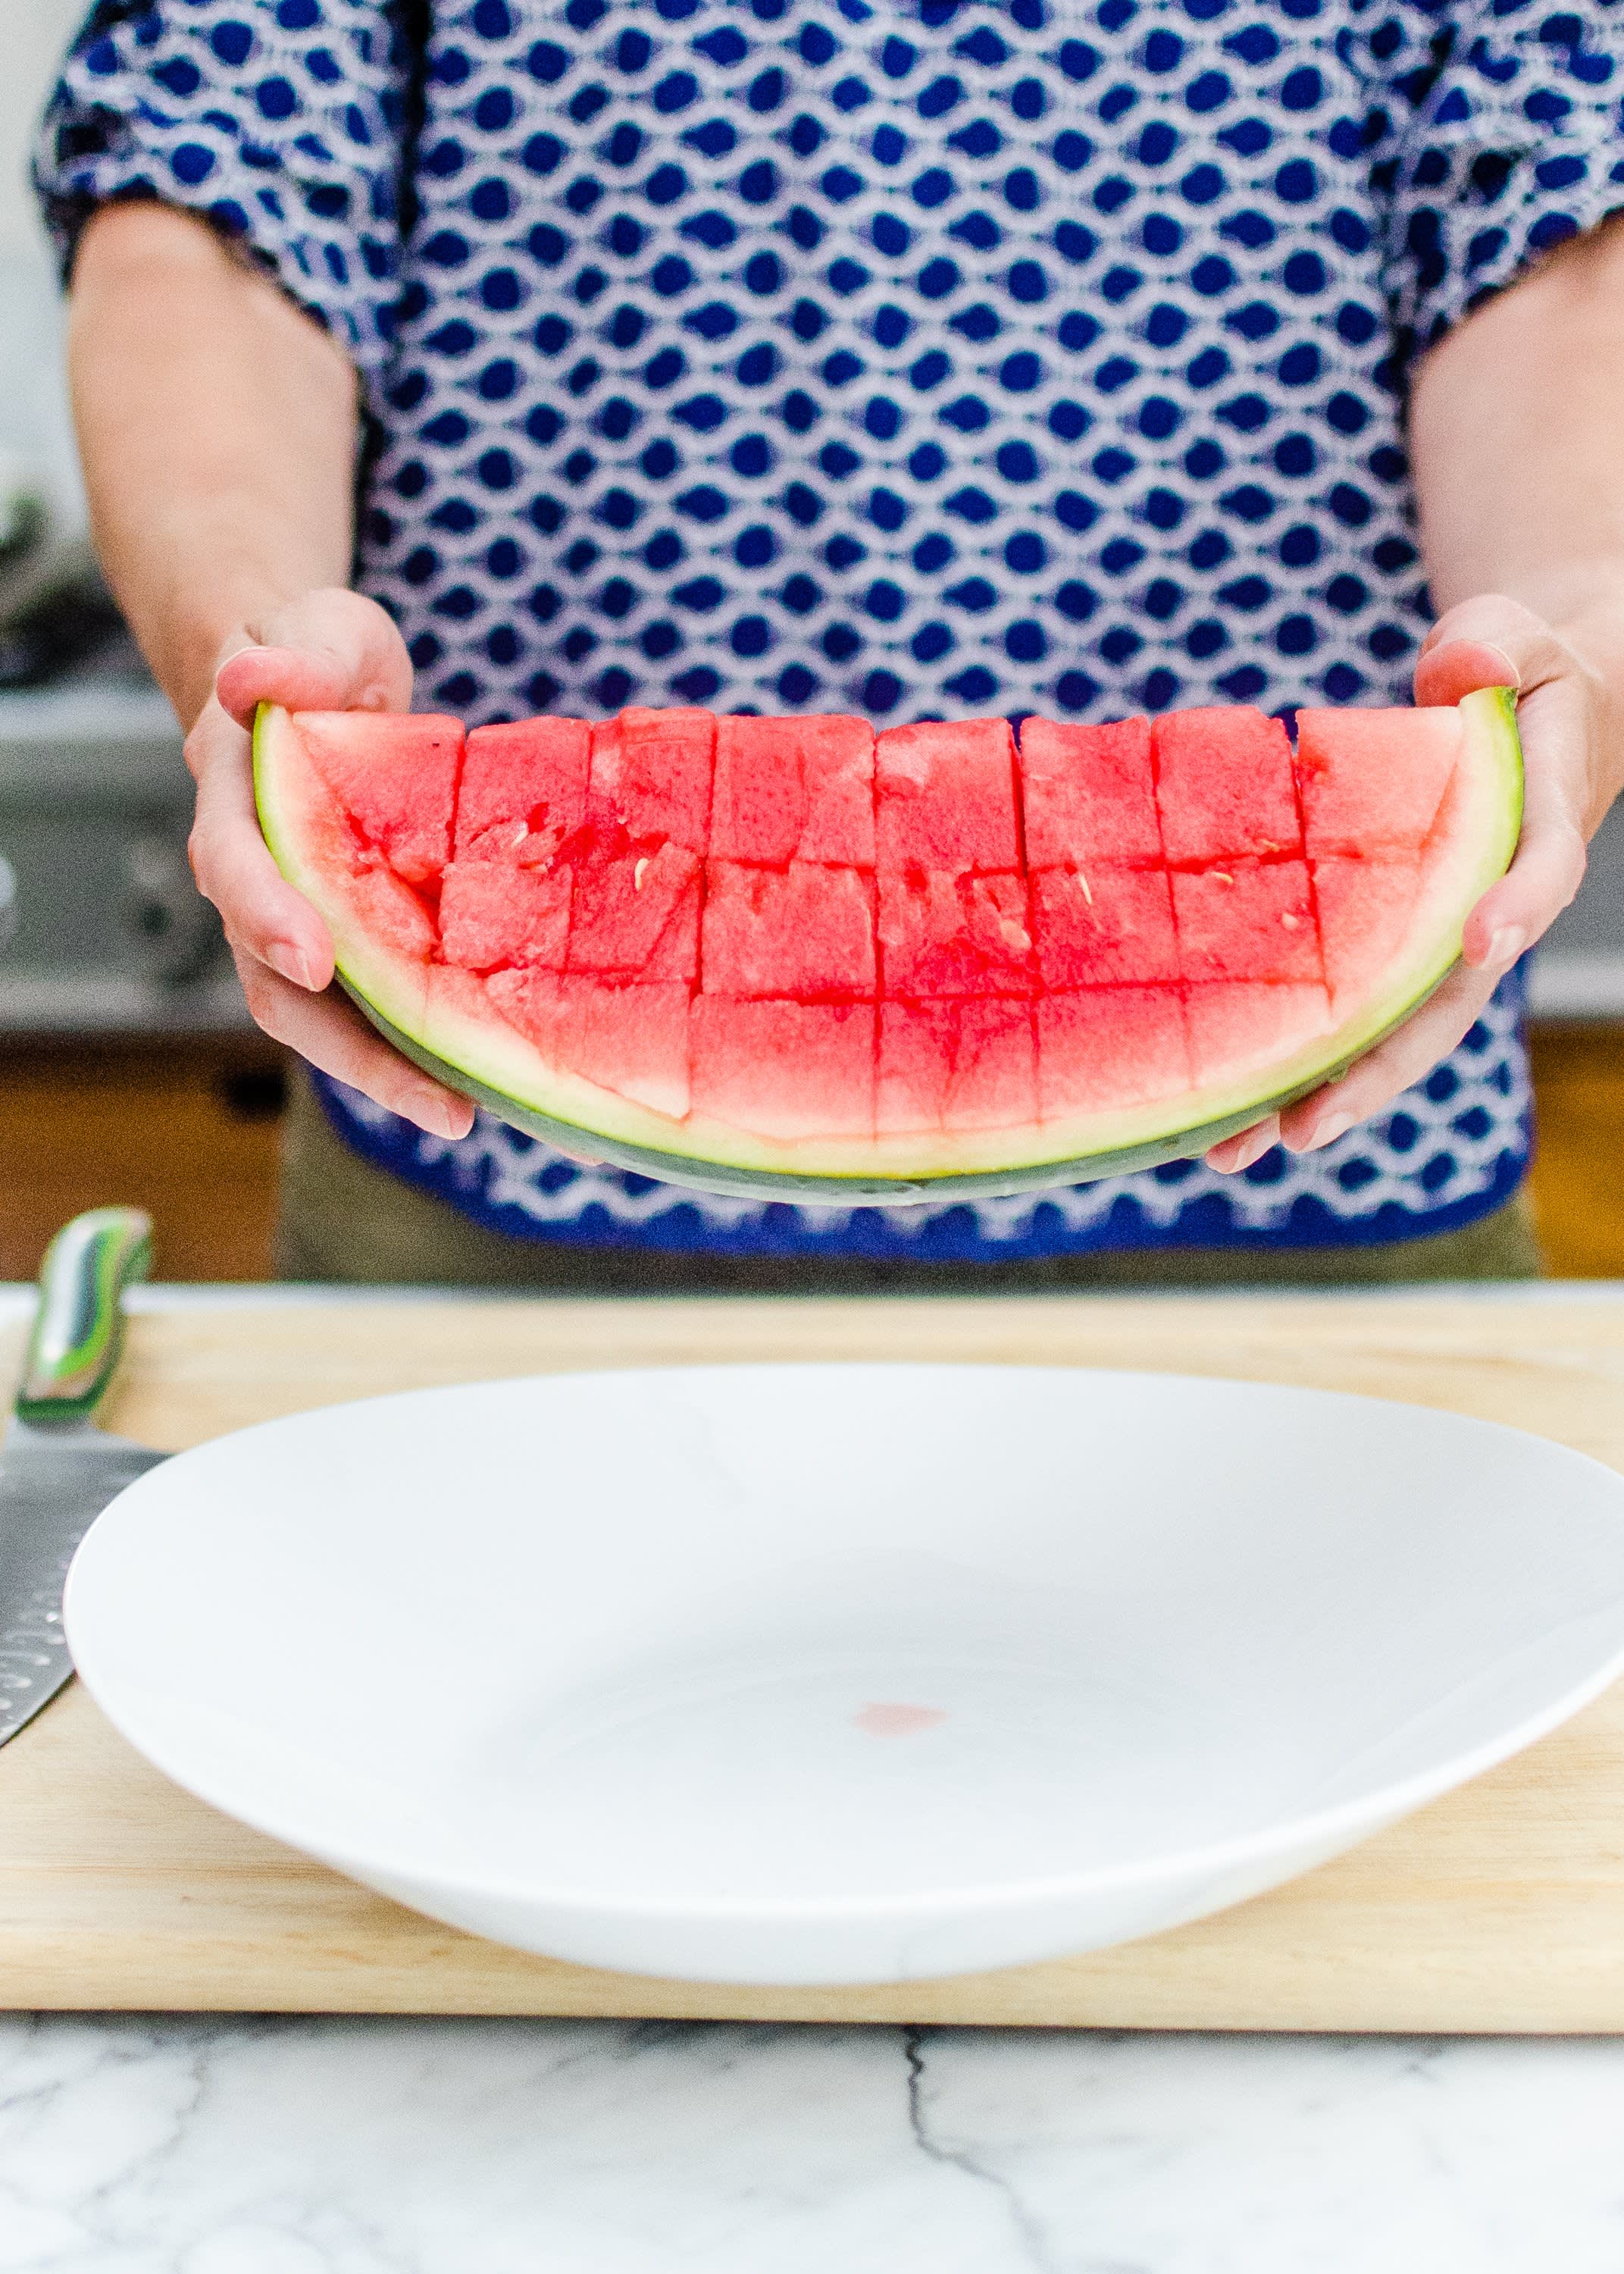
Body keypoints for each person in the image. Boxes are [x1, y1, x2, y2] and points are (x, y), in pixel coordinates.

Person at [33, 0, 1624, 1290]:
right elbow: (216, 178)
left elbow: (1547, 210)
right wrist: (250, 638)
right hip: (500, 1186)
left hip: (1322, 1176)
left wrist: (1563, 626)